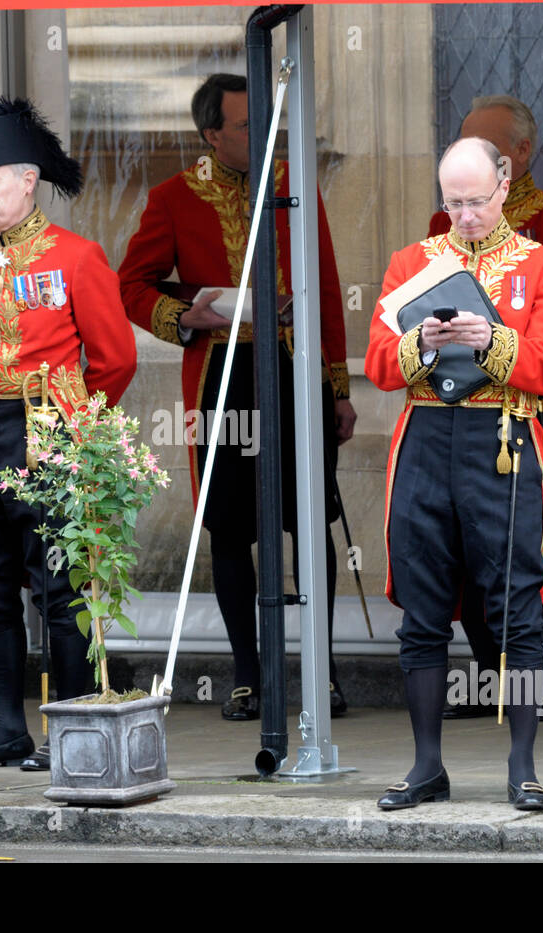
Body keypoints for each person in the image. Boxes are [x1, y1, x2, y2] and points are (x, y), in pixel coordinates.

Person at [118, 73, 355, 721]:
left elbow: (326, 290)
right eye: (248, 125)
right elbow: (132, 286)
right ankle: (248, 674)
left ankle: (322, 674)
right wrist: (184, 318)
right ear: (212, 134)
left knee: (308, 519)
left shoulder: (292, 188)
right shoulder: (173, 197)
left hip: (292, 367)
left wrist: (338, 386)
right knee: (228, 527)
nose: (262, 135)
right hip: (220, 373)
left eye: (264, 123)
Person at [365, 137, 543, 811]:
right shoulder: (412, 263)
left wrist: (494, 340)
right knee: (423, 612)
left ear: (504, 186)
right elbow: (375, 364)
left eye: (476, 201)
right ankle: (427, 765)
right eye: (452, 202)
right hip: (425, 435)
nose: (464, 216)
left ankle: (524, 766)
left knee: (519, 610)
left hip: (503, 437)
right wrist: (418, 342)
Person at [0, 98, 137, 772]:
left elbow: (114, 358)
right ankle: (6, 727)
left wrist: (74, 421)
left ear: (27, 179)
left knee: (60, 585)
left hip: (47, 429)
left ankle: (72, 724)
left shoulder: (77, 258)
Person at [427, 96, 543, 720]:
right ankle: (496, 678)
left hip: (528, 400)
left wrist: (495, 348)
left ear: (518, 156)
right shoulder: (444, 223)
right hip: (452, 400)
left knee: (538, 541)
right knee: (464, 543)